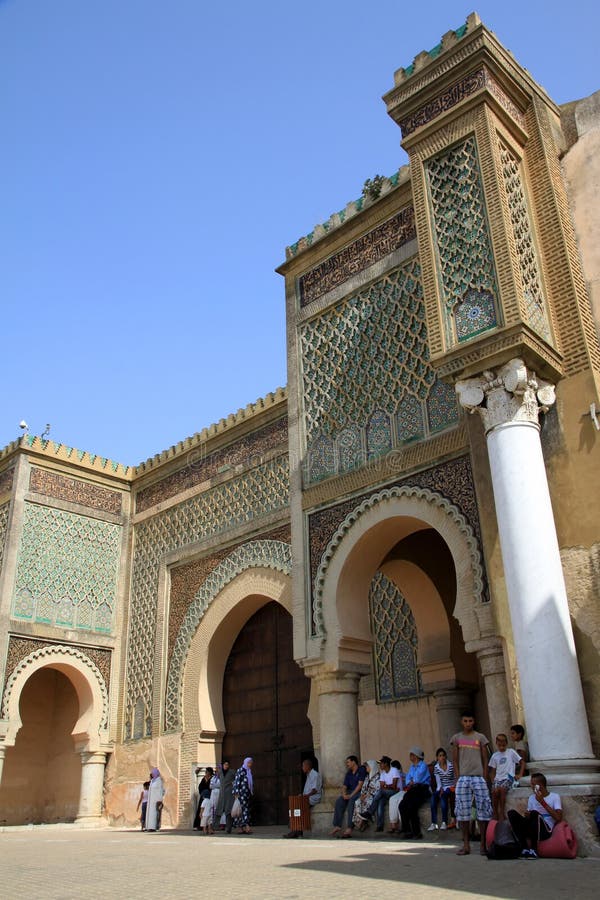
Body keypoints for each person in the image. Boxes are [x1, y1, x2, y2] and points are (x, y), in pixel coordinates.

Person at [450, 712, 493, 856]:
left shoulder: (480, 738)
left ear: (473, 722)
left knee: (483, 810)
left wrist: (485, 776)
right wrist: (457, 777)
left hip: (478, 777)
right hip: (463, 778)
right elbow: (455, 760)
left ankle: (483, 845)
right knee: (463, 812)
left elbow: (485, 759)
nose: (468, 723)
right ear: (462, 722)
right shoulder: (456, 739)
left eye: (470, 721)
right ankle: (466, 845)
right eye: (465, 721)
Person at [507, 772, 563, 858]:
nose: (531, 786)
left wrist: (542, 802)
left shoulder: (554, 797)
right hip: (532, 828)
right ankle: (524, 848)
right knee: (511, 813)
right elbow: (529, 817)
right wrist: (527, 815)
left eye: (533, 784)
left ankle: (534, 849)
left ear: (540, 785)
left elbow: (558, 818)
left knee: (534, 813)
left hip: (545, 830)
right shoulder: (532, 798)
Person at [358, 756, 402, 832]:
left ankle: (369, 812)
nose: (380, 765)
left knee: (380, 792)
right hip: (386, 793)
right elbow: (382, 786)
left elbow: (394, 786)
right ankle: (380, 826)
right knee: (380, 802)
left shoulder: (394, 771)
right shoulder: (383, 773)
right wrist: (388, 786)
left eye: (381, 763)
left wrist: (386, 786)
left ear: (386, 764)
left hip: (397, 792)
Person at [488, 733, 525, 821]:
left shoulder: (511, 752)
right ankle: (495, 812)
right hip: (498, 779)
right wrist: (493, 781)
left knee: (502, 789)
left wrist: (520, 774)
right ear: (496, 743)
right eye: (500, 745)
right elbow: (492, 771)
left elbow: (522, 762)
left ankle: (501, 812)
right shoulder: (495, 756)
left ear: (507, 743)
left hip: (508, 778)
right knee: (494, 791)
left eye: (503, 745)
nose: (501, 747)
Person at [283, 758, 323, 838]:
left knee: (299, 807)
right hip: (308, 797)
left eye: (303, 766)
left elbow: (314, 790)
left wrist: (305, 796)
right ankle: (297, 830)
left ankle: (296, 831)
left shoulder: (314, 775)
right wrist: (302, 795)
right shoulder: (309, 775)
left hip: (313, 798)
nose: (302, 768)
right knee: (295, 806)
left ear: (308, 766)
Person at [330, 756, 366, 838]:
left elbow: (360, 785)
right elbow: (344, 786)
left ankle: (350, 828)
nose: (347, 764)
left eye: (348, 762)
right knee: (339, 801)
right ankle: (337, 825)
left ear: (353, 762)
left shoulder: (361, 770)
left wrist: (351, 795)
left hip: (359, 792)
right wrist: (344, 794)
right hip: (350, 791)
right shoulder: (349, 773)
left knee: (351, 802)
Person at [399, 747, 431, 839]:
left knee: (412, 807)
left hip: (422, 789)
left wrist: (413, 781)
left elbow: (418, 779)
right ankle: (407, 830)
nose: (410, 756)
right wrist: (412, 781)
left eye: (411, 754)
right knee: (402, 805)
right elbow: (408, 780)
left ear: (416, 756)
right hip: (413, 789)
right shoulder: (412, 767)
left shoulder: (423, 765)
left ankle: (416, 832)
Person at [428, 748, 455, 831]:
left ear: (445, 756)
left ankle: (444, 822)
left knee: (443, 798)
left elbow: (454, 779)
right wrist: (440, 789)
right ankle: (434, 823)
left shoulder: (451, 766)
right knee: (433, 798)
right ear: (437, 758)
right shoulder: (436, 768)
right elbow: (438, 781)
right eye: (440, 756)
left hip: (451, 787)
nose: (442, 757)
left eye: (443, 755)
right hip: (441, 787)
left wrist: (447, 788)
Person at [352, 760, 380, 832]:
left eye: (367, 766)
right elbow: (364, 787)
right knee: (357, 802)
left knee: (367, 801)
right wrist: (362, 795)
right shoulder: (367, 777)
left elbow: (377, 789)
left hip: (372, 796)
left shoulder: (378, 777)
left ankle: (362, 822)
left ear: (372, 766)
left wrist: (367, 795)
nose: (366, 768)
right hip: (365, 795)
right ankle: (359, 821)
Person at [232, 757, 253, 834]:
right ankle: (243, 827)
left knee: (246, 810)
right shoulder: (240, 770)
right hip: (241, 794)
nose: (250, 764)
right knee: (241, 811)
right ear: (245, 762)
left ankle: (245, 827)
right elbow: (237, 782)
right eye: (249, 763)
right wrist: (236, 793)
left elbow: (250, 783)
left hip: (247, 794)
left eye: (251, 763)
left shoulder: (249, 771)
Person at [216, 760, 235, 831]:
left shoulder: (232, 772)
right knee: (219, 809)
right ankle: (215, 826)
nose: (226, 766)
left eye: (227, 764)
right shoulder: (220, 772)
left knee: (228, 811)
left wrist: (233, 786)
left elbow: (236, 779)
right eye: (225, 764)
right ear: (223, 765)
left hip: (229, 793)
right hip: (221, 793)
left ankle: (228, 828)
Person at [387, 760, 406, 833]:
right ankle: (393, 824)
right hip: (399, 792)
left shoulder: (403, 775)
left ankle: (402, 825)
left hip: (405, 791)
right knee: (392, 799)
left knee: (400, 801)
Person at [145, 768, 165, 832]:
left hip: (156, 800)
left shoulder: (159, 781)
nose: (152, 774)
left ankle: (153, 827)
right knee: (150, 813)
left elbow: (161, 790)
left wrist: (159, 799)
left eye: (153, 773)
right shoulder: (152, 781)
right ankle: (149, 827)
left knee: (154, 813)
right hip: (151, 801)